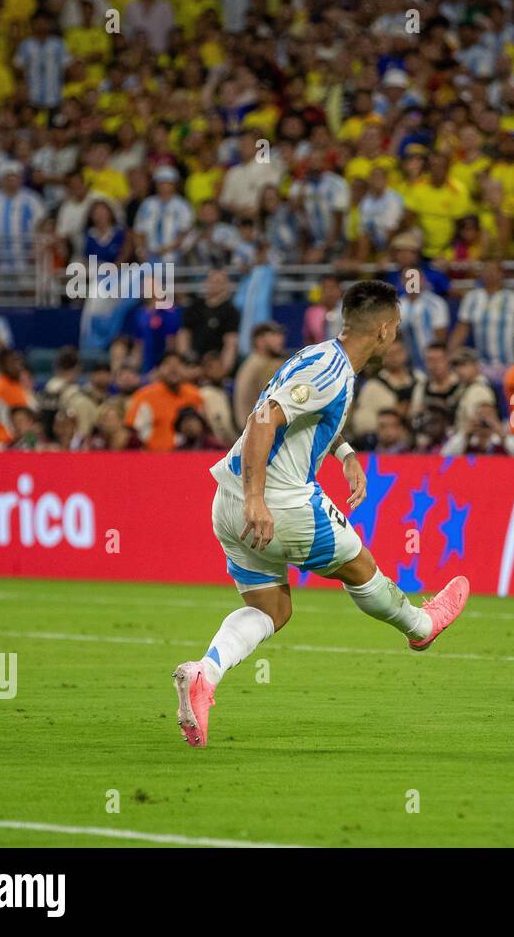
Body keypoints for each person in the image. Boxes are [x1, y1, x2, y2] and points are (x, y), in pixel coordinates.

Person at [174, 280, 470, 748]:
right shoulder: (334, 371)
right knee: (361, 568)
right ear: (386, 330)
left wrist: (345, 451)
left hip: (226, 504)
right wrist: (258, 498)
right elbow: (264, 420)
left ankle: (203, 675)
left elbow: (299, 417)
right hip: (277, 504)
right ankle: (422, 628)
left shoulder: (319, 356)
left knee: (272, 608)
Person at [123, 350, 204, 452]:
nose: (173, 369)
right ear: (158, 370)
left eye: (178, 364)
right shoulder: (144, 396)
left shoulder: (195, 395)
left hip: (187, 457)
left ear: (185, 369)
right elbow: (132, 432)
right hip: (152, 458)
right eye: (167, 364)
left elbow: (203, 431)